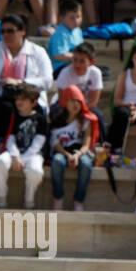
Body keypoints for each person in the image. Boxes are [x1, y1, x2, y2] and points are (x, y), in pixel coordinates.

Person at [0, 13, 55, 137]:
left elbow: (47, 81)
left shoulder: (38, 52)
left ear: (23, 31)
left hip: (29, 99)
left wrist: (19, 82)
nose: (6, 35)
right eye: (3, 31)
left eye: (10, 31)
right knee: (7, 109)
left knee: (24, 109)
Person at [0, 82, 48, 207]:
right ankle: (1, 198)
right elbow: (10, 139)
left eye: (24, 99)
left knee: (35, 171)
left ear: (33, 102)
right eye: (17, 99)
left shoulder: (40, 119)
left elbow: (39, 141)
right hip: (14, 153)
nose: (19, 102)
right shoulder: (12, 117)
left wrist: (23, 159)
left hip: (33, 154)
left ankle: (29, 201)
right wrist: (15, 156)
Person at [49, 82, 100, 210]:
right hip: (62, 152)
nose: (76, 104)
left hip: (80, 152)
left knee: (86, 164)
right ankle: (58, 198)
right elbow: (55, 144)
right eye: (72, 101)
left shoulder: (85, 121)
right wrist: (68, 155)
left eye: (78, 101)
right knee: (57, 162)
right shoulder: (56, 120)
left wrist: (77, 155)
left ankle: (79, 201)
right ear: (65, 102)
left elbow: (86, 144)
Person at [55, 41, 103, 109]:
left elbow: (93, 102)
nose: (77, 65)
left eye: (82, 61)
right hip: (67, 107)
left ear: (91, 62)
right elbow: (62, 100)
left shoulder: (96, 73)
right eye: (75, 60)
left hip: (86, 107)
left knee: (99, 118)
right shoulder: (65, 73)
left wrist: (81, 112)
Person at [46, 0, 85, 72]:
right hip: (59, 69)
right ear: (62, 18)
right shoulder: (60, 33)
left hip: (73, 64)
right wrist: (80, 57)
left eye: (78, 17)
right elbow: (58, 55)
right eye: (72, 18)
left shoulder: (78, 31)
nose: (76, 21)